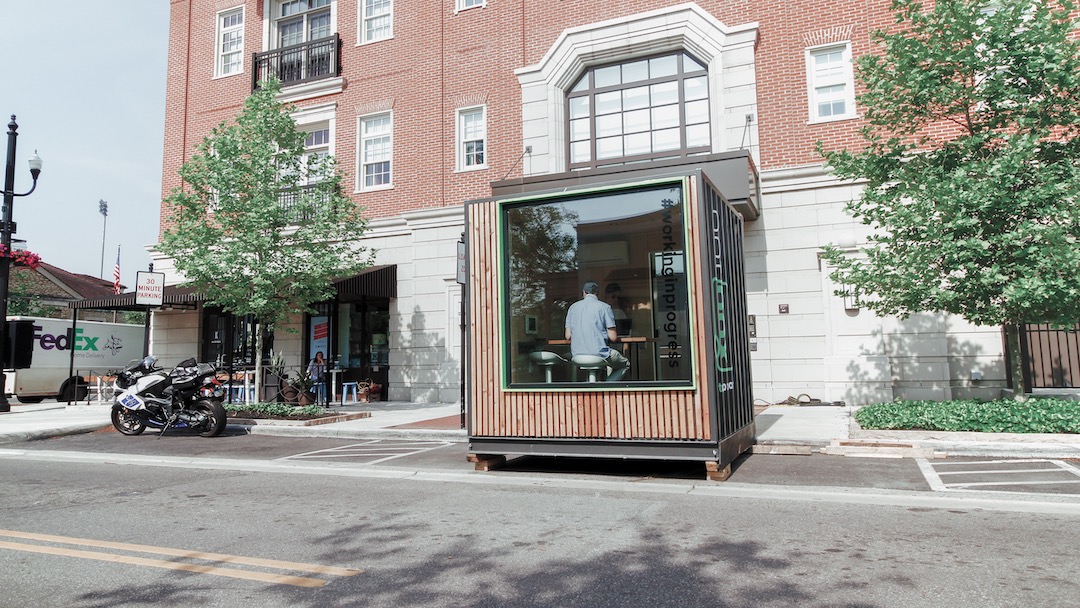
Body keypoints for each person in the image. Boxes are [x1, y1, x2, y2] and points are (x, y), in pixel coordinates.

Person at [565, 281, 630, 381]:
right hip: (599, 354)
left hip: (577, 355)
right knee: (625, 364)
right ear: (597, 293)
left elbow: (568, 336)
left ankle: (592, 391)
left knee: (596, 367)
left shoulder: (572, 308)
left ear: (584, 292)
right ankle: (605, 388)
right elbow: (613, 337)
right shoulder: (604, 307)